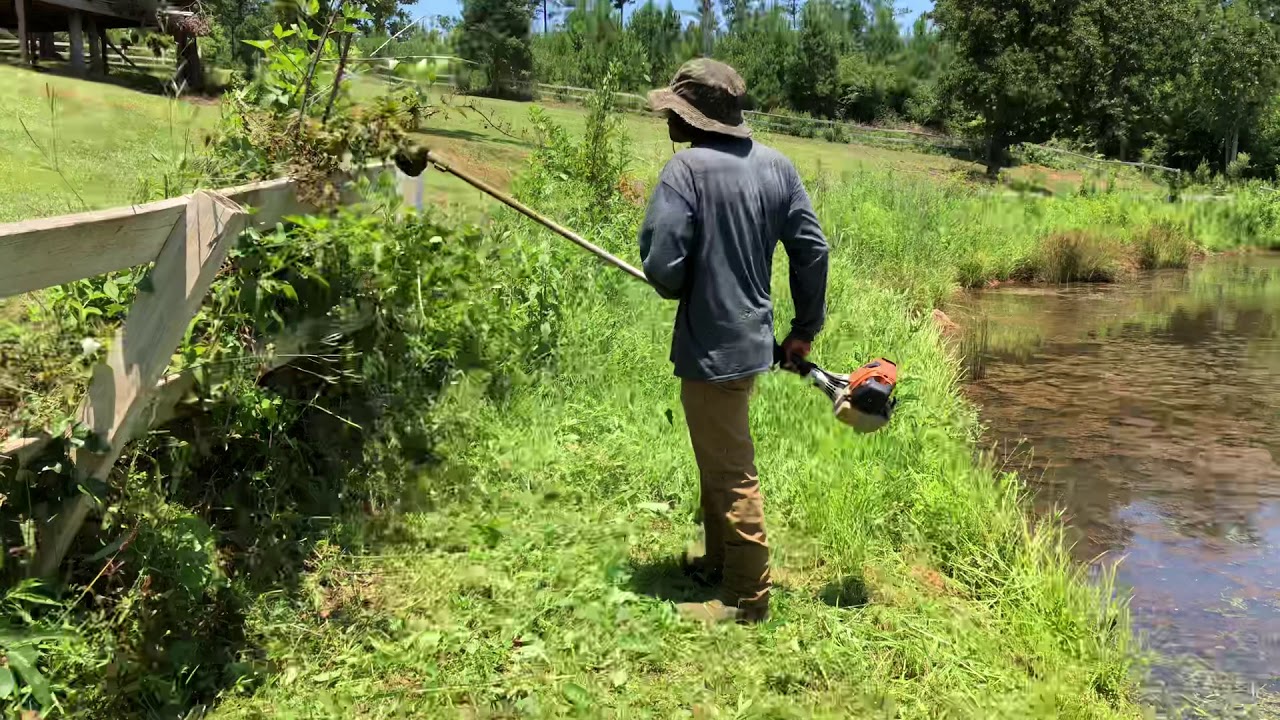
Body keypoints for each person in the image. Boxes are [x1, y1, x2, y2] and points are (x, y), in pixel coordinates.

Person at [639, 59, 829, 624]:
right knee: (715, 454)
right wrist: (804, 328)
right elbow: (812, 250)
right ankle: (719, 559)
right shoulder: (778, 167)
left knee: (730, 468)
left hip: (711, 345)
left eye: (675, 110)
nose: (668, 119)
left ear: (693, 116)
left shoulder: (685, 171)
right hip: (751, 342)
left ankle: (746, 596)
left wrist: (679, 282)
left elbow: (663, 265)